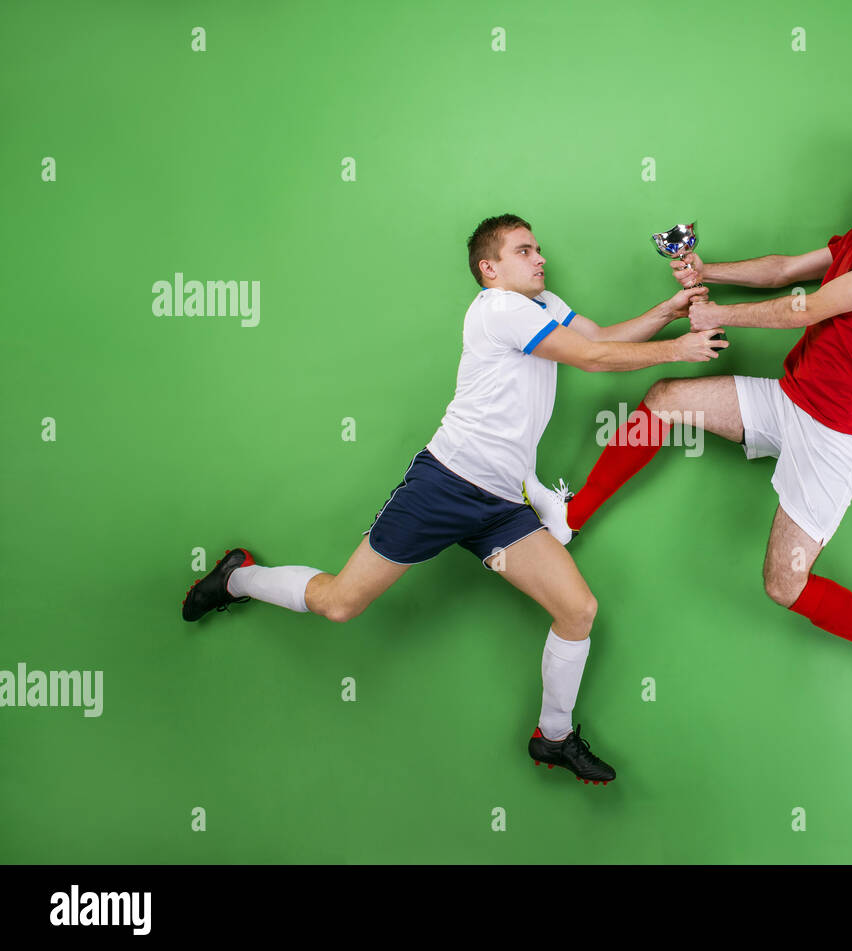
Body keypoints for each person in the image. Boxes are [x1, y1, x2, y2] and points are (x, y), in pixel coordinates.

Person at [181, 213, 725, 782]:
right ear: (489, 269)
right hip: (443, 487)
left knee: (578, 610)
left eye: (537, 249)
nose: (540, 258)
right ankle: (236, 577)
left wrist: (669, 312)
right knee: (340, 603)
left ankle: (554, 738)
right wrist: (679, 351)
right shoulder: (498, 309)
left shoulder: (544, 305)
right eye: (523, 251)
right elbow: (590, 360)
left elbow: (598, 339)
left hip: (500, 505)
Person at [524, 154, 852, 723]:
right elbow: (783, 269)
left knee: (783, 584)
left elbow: (808, 307)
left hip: (837, 434)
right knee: (666, 398)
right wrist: (706, 269)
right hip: (792, 399)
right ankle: (571, 518)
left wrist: (719, 315)